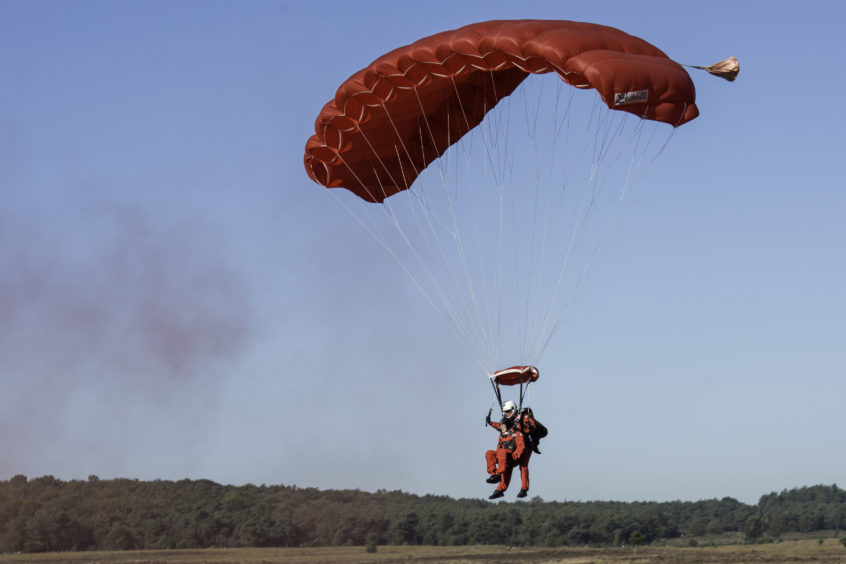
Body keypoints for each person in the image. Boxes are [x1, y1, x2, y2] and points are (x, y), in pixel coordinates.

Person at [484, 401, 526, 499]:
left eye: (502, 426)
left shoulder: (517, 433)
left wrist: (514, 456)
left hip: (512, 458)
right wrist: (490, 422)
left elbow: (521, 448)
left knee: (502, 452)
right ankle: (494, 474)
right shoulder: (503, 435)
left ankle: (499, 474)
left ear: (507, 426)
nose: (501, 427)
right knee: (489, 453)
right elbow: (497, 426)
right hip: (503, 458)